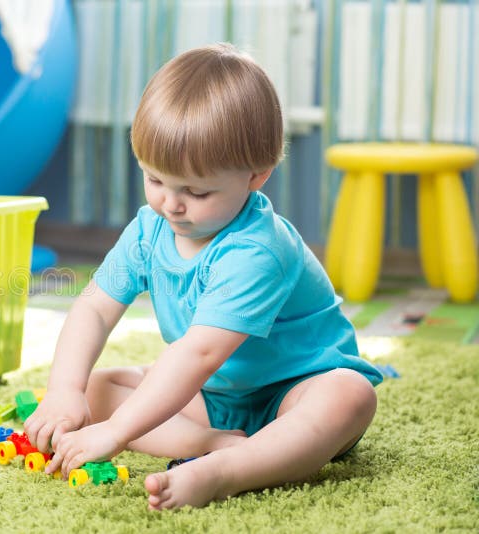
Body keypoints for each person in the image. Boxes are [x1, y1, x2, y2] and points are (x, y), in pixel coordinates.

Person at [23, 43, 383, 510]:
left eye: (196, 191)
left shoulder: (258, 249)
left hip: (293, 389)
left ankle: (227, 471)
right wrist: (64, 391)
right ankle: (213, 444)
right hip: (214, 397)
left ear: (257, 176)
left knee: (349, 396)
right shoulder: (149, 230)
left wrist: (115, 432)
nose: (170, 204)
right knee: (97, 388)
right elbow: (93, 307)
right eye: (155, 180)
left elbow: (200, 352)